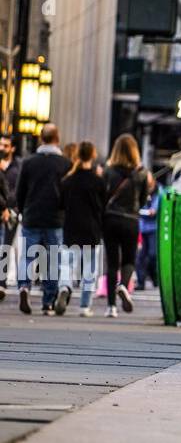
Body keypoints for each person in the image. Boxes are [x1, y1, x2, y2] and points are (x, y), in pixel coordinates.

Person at [14, 124, 72, 315]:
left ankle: (24, 286)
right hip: (55, 218)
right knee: (52, 260)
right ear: (57, 138)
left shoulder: (29, 162)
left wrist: (23, 210)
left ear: (41, 138)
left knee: (28, 256)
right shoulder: (65, 164)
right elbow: (67, 194)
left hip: (32, 215)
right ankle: (48, 301)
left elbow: (20, 191)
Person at [102, 135, 153, 316]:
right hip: (131, 220)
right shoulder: (141, 173)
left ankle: (111, 307)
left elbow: (103, 196)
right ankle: (123, 285)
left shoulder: (108, 171)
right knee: (129, 259)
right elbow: (143, 200)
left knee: (111, 262)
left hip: (110, 219)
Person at [58, 141, 106, 317]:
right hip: (92, 230)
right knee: (89, 270)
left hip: (71, 228)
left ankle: (64, 286)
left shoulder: (67, 181)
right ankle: (85, 306)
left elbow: (61, 205)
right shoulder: (98, 182)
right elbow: (103, 207)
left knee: (67, 265)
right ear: (93, 155)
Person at [0, 133, 19, 300]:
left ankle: (1, 283)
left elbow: (17, 190)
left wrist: (8, 207)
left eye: (6, 145)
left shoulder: (17, 167)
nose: (2, 148)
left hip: (11, 214)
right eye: (1, 144)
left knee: (5, 247)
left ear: (12, 148)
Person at [136, 183, 161, 290]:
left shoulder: (159, 193)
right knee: (141, 257)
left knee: (152, 255)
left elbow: (154, 210)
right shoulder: (142, 191)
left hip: (154, 228)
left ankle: (155, 278)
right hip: (143, 228)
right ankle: (141, 282)